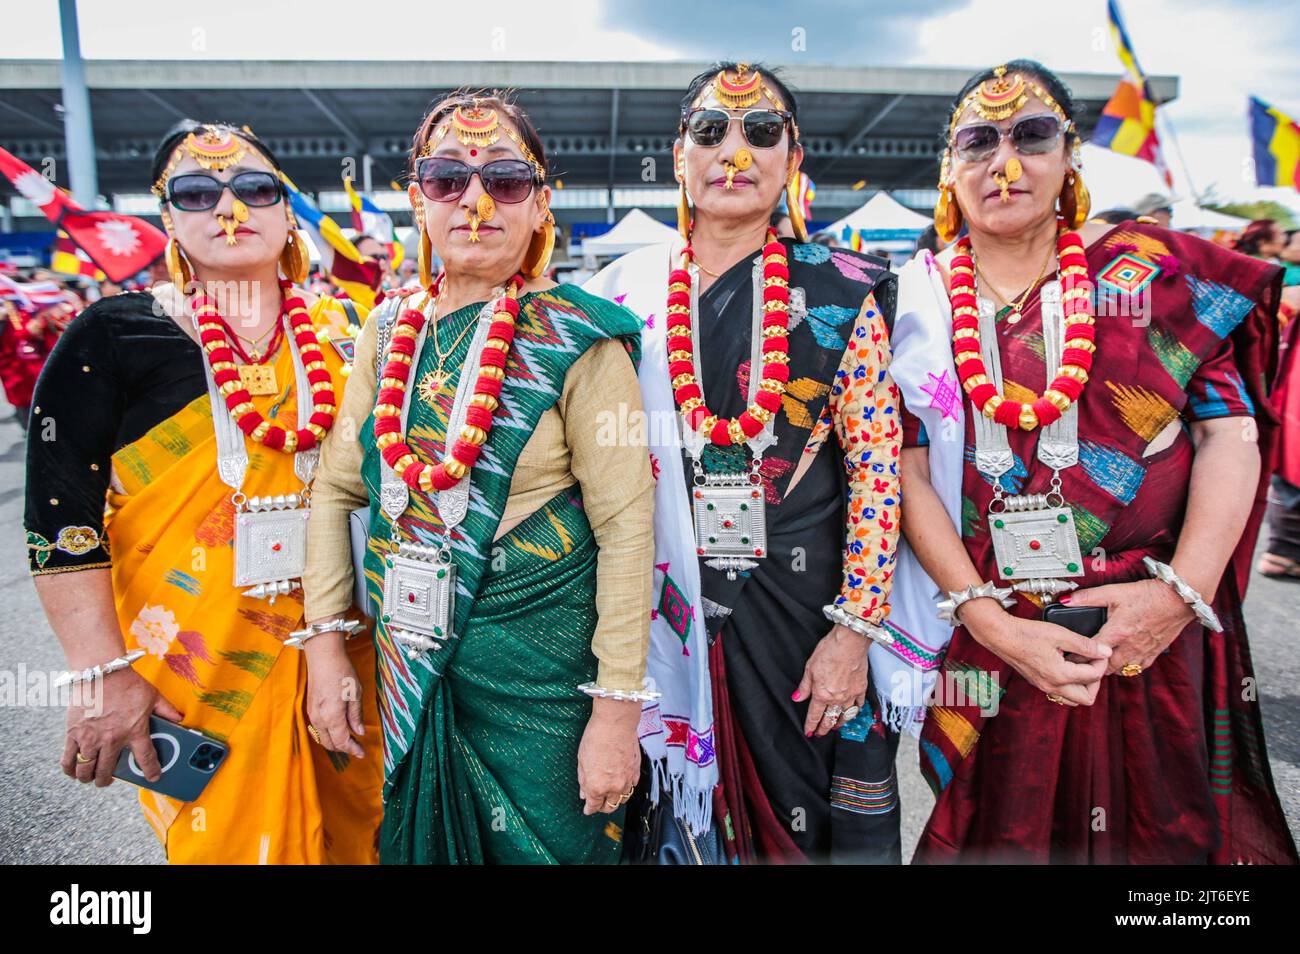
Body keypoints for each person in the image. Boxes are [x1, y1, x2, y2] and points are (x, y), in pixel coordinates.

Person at [890, 60, 1298, 863]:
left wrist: (1181, 595)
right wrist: (986, 620)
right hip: (993, 631)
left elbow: (1228, 435)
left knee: (1164, 843)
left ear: (1071, 157)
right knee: (992, 833)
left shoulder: (1150, 274)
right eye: (978, 141)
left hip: (1148, 623)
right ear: (949, 169)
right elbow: (900, 467)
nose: (1005, 163)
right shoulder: (912, 300)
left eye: (1032, 136)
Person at [301, 92, 655, 864]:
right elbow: (334, 490)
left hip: (543, 682)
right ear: (417, 201)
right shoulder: (387, 330)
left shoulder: (581, 337)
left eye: (505, 179)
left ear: (540, 204)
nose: (474, 201)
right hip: (411, 665)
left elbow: (627, 529)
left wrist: (616, 713)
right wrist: (325, 647)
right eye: (445, 179)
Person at [24, 120, 383, 864]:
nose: (229, 207)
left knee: (371, 829)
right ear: (168, 221)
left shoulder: (350, 332)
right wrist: (101, 674)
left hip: (348, 651)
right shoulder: (115, 335)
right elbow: (60, 520)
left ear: (288, 213)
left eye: (256, 189)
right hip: (201, 670)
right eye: (196, 192)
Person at [586, 62, 903, 864]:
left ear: (792, 160)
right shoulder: (620, 295)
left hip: (798, 614)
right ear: (679, 155)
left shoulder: (840, 291)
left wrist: (855, 636)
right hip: (655, 610)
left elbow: (875, 471)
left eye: (762, 133)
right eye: (710, 131)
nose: (735, 151)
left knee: (796, 818)